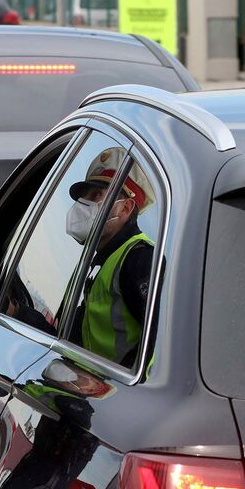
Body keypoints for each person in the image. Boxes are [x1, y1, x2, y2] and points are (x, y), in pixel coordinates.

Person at [64, 149, 155, 367]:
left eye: (96, 195)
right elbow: (74, 338)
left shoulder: (140, 259)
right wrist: (17, 311)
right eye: (84, 195)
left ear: (125, 208)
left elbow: (161, 347)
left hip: (111, 389)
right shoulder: (100, 261)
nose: (84, 203)